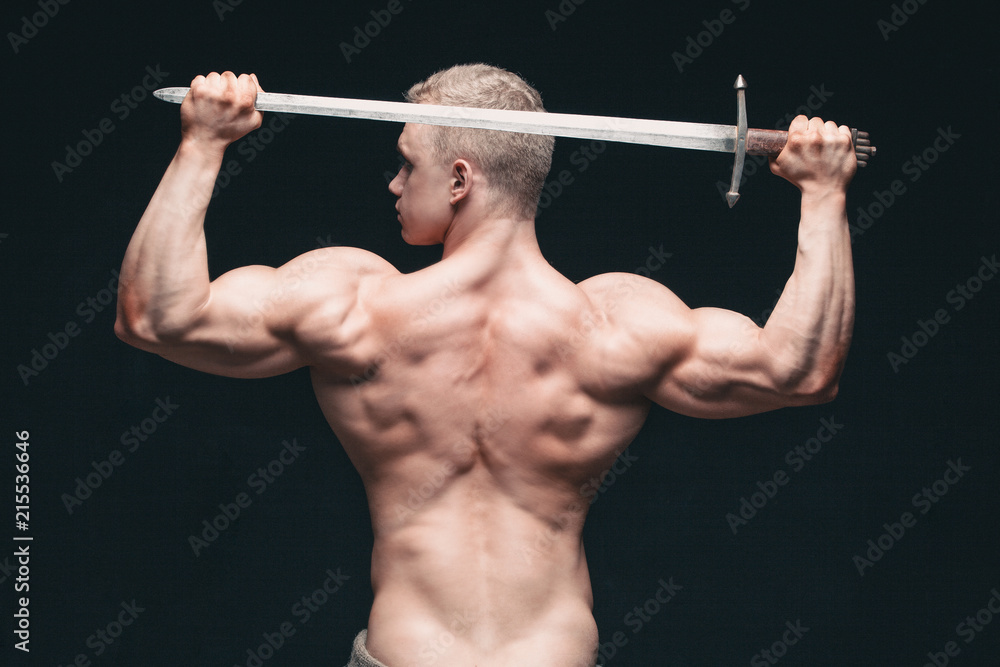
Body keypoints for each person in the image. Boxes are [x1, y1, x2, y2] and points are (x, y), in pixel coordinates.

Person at [115, 64, 856, 667]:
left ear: (460, 179)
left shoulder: (357, 307)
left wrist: (202, 145)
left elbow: (154, 317)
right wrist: (823, 196)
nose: (394, 184)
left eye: (408, 163)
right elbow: (799, 370)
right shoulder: (615, 325)